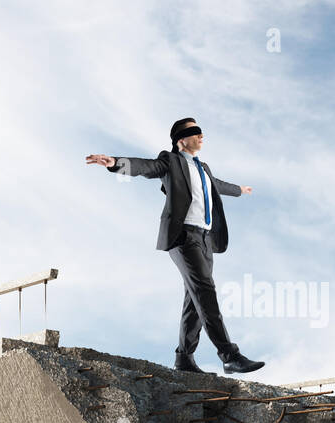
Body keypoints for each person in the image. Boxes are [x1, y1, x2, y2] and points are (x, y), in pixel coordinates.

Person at [85, 118, 265, 374]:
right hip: (183, 237)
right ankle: (229, 355)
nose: (201, 134)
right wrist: (115, 163)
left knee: (194, 301)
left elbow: (219, 186)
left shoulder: (203, 167)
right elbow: (144, 167)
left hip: (205, 240)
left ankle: (184, 359)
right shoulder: (170, 161)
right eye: (194, 131)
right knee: (205, 291)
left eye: (201, 130)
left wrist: (240, 189)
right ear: (181, 139)